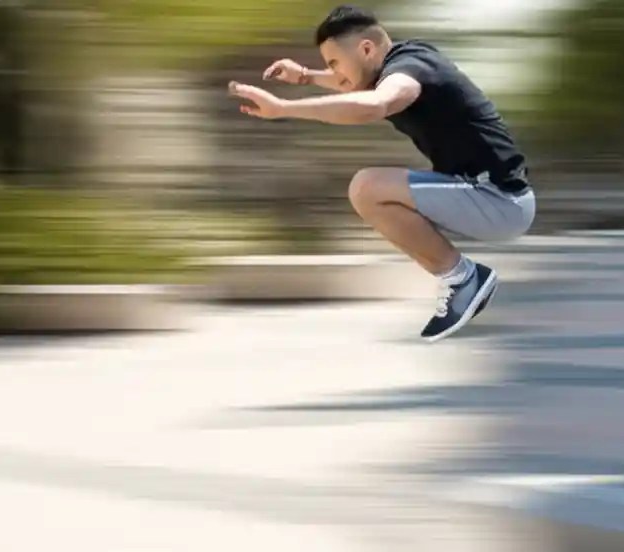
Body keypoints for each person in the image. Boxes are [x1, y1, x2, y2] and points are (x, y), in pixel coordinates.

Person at [228, 5, 535, 342]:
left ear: (366, 49)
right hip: (490, 195)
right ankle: (462, 277)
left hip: (497, 201)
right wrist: (305, 75)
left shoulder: (408, 72)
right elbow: (351, 81)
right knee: (370, 192)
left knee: (368, 188)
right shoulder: (406, 59)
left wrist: (284, 109)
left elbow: (375, 104)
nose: (334, 72)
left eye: (334, 62)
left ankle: (464, 279)